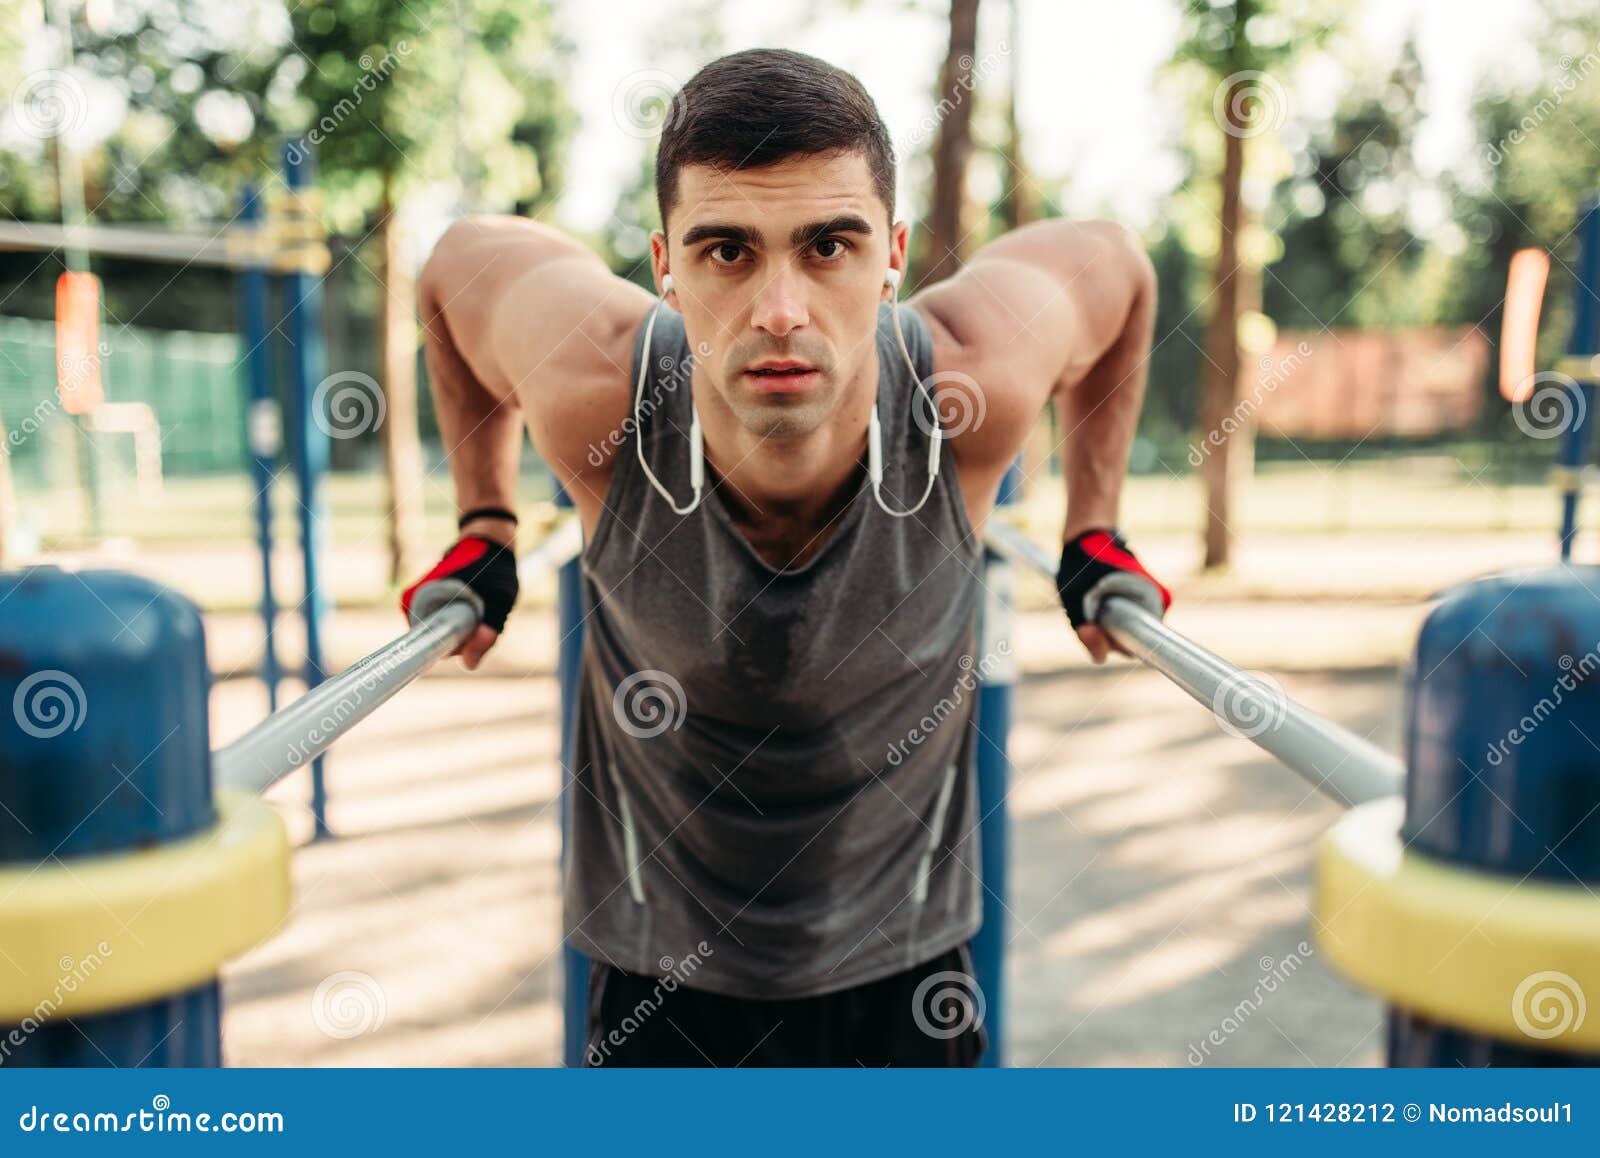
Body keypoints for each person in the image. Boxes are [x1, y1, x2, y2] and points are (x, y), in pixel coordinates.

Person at [402, 47, 1171, 1067]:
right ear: (664, 263)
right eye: (726, 250)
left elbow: (1117, 263)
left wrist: (1092, 527)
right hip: (660, 978)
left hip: (906, 975)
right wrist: (485, 522)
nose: (778, 313)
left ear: (892, 253)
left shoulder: (969, 381)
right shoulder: (597, 385)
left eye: (827, 246)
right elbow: (457, 261)